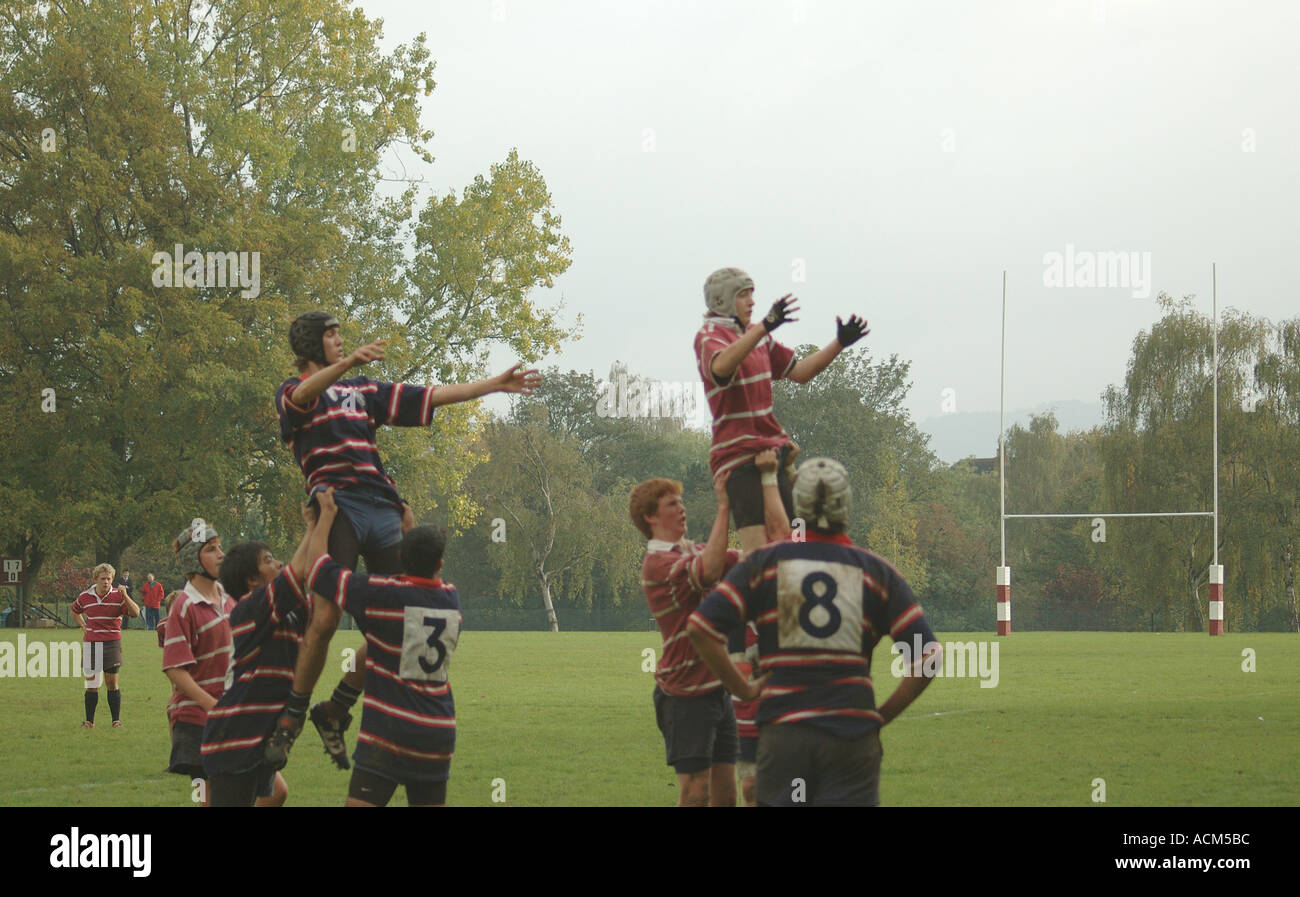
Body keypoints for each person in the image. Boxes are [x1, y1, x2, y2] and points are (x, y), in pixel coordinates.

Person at [269, 311, 539, 769]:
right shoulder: (293, 392)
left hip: (384, 504)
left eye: (340, 335)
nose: (340, 341)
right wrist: (348, 363)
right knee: (327, 615)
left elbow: (432, 395)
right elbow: (303, 394)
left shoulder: (365, 390)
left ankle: (336, 707)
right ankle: (290, 722)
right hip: (338, 505)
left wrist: (492, 384)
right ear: (311, 346)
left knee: (406, 620)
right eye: (331, 336)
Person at [687, 457, 939, 807]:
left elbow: (700, 628)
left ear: (798, 506)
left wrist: (742, 688)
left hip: (784, 734)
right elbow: (928, 657)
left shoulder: (766, 565)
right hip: (851, 739)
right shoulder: (877, 573)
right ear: (847, 504)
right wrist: (880, 716)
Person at [630, 449, 789, 807]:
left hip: (718, 691)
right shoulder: (658, 563)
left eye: (681, 501)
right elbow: (709, 570)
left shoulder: (689, 550)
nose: (682, 508)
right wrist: (724, 506)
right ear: (650, 517)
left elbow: (751, 555)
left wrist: (771, 480)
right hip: (684, 696)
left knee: (725, 795)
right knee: (695, 793)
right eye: (672, 504)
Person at [694, 267, 868, 555]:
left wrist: (839, 344)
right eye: (743, 295)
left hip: (773, 454)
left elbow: (799, 373)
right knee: (760, 550)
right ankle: (761, 595)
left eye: (753, 294)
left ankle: (795, 589)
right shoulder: (709, 336)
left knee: (796, 536)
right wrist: (764, 326)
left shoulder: (758, 336)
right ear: (723, 301)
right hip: (738, 458)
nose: (752, 301)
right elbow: (721, 367)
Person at [305, 489, 462, 807]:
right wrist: (409, 529)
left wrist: (322, 519)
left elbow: (319, 570)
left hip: (389, 733)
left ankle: (336, 707)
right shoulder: (451, 599)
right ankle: (337, 706)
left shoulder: (381, 595)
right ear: (440, 562)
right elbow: (418, 575)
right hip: (437, 734)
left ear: (401, 556)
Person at [200, 500, 325, 807]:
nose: (278, 564)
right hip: (235, 738)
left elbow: (314, 575)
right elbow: (297, 572)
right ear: (252, 580)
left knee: (274, 796)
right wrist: (314, 524)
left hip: (261, 737)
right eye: (269, 560)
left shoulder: (291, 611)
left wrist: (327, 524)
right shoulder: (250, 610)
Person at [71, 564, 140, 729]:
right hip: (92, 644)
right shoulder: (85, 596)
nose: (106, 582)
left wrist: (125, 595)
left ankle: (116, 721)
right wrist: (83, 626)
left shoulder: (119, 595)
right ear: (95, 579)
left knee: (112, 682)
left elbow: (135, 612)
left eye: (109, 579)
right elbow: (75, 610)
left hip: (112, 643)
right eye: (103, 579)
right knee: (92, 684)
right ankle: (89, 722)